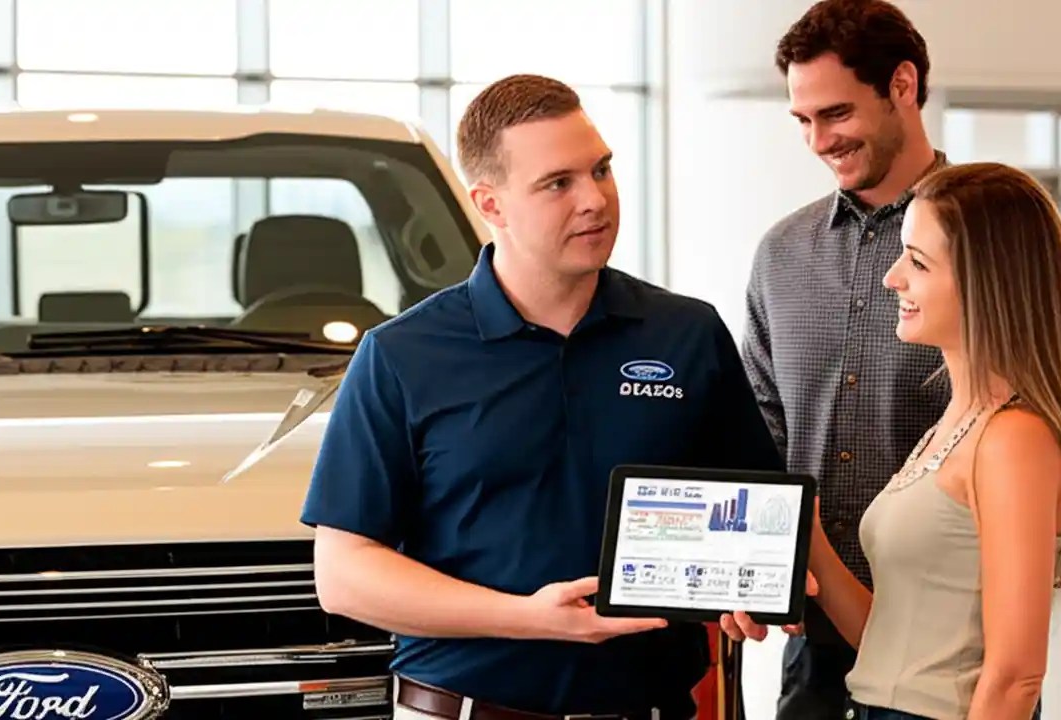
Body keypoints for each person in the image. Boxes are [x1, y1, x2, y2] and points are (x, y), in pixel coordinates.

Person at [301, 73, 782, 719]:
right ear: (489, 204)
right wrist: (529, 618)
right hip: (463, 707)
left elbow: (750, 512)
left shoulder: (687, 334)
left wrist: (752, 582)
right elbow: (344, 575)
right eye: (559, 183)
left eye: (602, 170)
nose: (596, 200)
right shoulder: (401, 355)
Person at [800, 161, 1061, 719]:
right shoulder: (957, 420)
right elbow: (896, 646)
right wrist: (809, 541)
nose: (892, 276)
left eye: (918, 262)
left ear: (986, 283)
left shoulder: (1013, 440)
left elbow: (1015, 676)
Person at [739, 2, 948, 716]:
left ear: (902, 85)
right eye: (802, 120)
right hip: (814, 640)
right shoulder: (780, 255)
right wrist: (747, 577)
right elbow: (759, 433)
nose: (818, 140)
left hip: (954, 644)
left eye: (835, 113)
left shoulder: (991, 247)